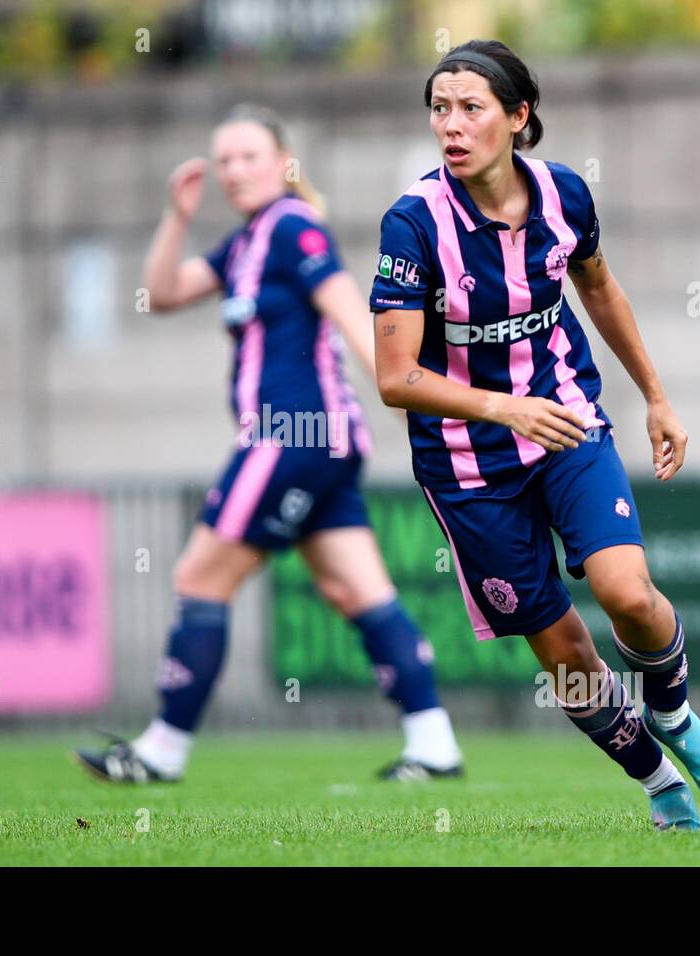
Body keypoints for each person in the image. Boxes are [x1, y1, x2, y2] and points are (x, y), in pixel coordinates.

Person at [370, 40, 700, 829]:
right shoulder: (412, 224)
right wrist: (503, 408)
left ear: (519, 117)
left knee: (626, 593)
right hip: (468, 467)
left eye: (471, 108)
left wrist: (656, 396)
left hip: (569, 424)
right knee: (567, 656)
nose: (452, 124)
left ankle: (674, 716)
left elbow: (601, 289)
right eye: (440, 109)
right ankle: (658, 784)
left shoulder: (565, 196)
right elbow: (395, 378)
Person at [77, 103, 463, 784]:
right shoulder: (246, 243)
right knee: (357, 591)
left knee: (198, 576)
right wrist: (176, 215)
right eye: (223, 160)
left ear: (283, 163)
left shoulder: (291, 228)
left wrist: (413, 403)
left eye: (248, 156)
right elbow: (162, 293)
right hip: (324, 442)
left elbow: (352, 313)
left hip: (293, 436)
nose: (233, 171)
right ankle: (434, 745)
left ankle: (163, 752)